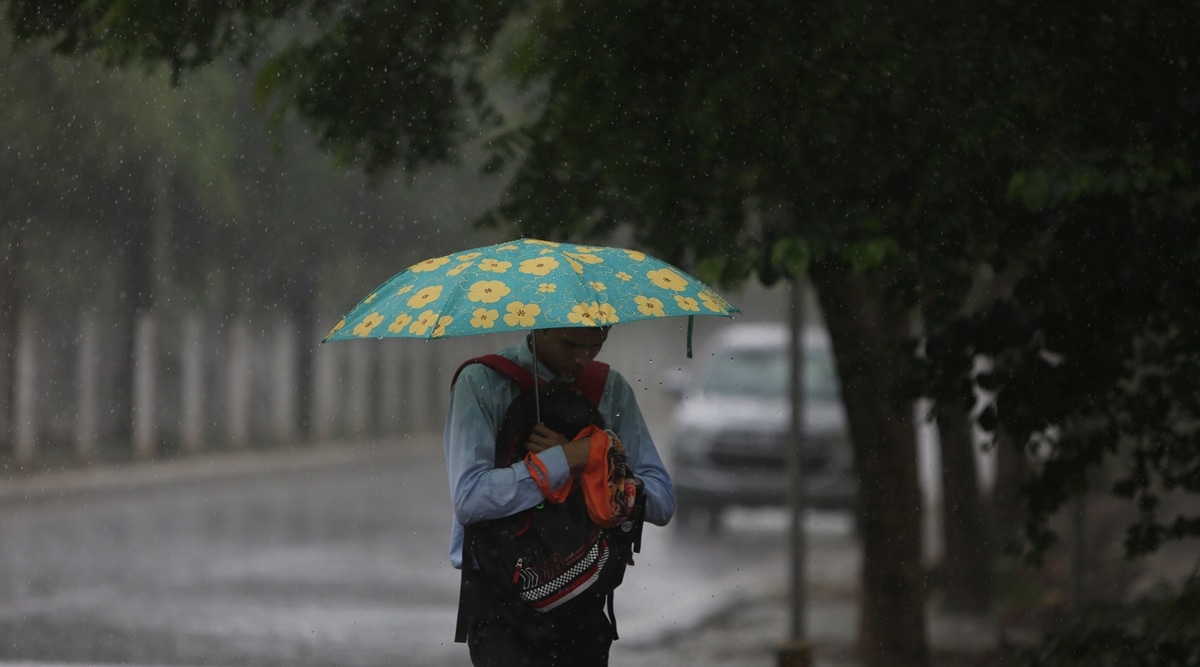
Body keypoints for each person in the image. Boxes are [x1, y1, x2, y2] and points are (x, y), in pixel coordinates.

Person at [444, 326, 675, 666]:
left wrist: (590, 464)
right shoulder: (482, 382)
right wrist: (565, 459)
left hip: (584, 600)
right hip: (500, 605)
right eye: (571, 345)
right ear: (540, 325)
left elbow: (660, 500)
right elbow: (470, 498)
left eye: (595, 346)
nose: (583, 359)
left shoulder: (609, 389)